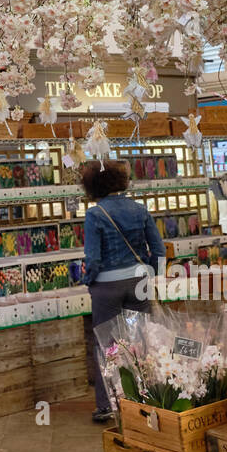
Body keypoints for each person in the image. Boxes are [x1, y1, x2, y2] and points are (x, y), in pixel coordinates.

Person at [80, 160, 166, 423]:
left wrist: (88, 279)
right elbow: (159, 250)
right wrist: (152, 274)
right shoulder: (140, 210)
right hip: (137, 285)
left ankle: (107, 405)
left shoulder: (95, 214)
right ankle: (143, 395)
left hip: (106, 288)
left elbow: (93, 259)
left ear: (93, 185)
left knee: (107, 345)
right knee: (139, 339)